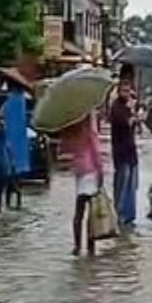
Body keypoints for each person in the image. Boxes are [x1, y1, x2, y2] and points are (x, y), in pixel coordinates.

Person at [60, 112, 105, 256]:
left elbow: (65, 147)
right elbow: (96, 149)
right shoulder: (89, 128)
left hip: (79, 170)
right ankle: (91, 246)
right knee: (92, 211)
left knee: (79, 210)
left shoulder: (73, 127)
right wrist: (101, 170)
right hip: (90, 170)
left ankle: (77, 246)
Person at [110, 67, 140, 228]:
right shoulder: (117, 107)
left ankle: (129, 217)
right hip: (121, 153)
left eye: (128, 90)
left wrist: (136, 115)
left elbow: (134, 127)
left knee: (132, 186)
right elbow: (125, 124)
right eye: (124, 90)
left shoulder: (129, 105)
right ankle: (118, 216)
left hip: (131, 152)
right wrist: (132, 112)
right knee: (122, 184)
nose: (126, 93)